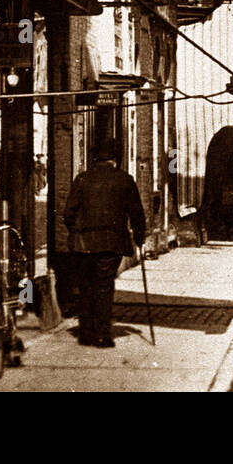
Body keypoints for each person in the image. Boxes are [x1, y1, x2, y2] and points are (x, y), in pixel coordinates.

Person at [63, 143, 146, 348]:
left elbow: (68, 213)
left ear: (94, 160)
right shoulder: (125, 180)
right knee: (104, 286)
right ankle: (102, 335)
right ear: (114, 160)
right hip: (111, 241)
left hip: (83, 243)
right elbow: (136, 212)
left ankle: (86, 333)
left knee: (86, 286)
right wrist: (140, 236)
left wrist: (77, 230)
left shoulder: (81, 179)